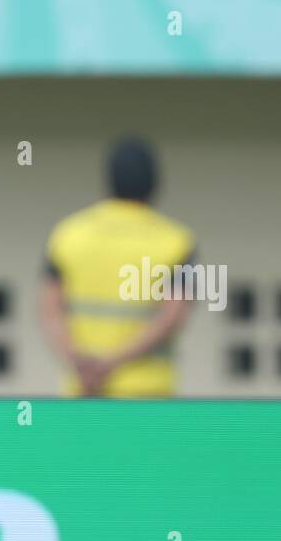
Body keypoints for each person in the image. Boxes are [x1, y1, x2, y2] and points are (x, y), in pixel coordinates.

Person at [39, 137, 196, 397]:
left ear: (107, 182)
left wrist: (82, 365)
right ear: (156, 185)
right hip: (148, 394)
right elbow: (172, 317)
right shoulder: (177, 241)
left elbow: (49, 309)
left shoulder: (67, 235)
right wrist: (111, 364)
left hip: (84, 391)